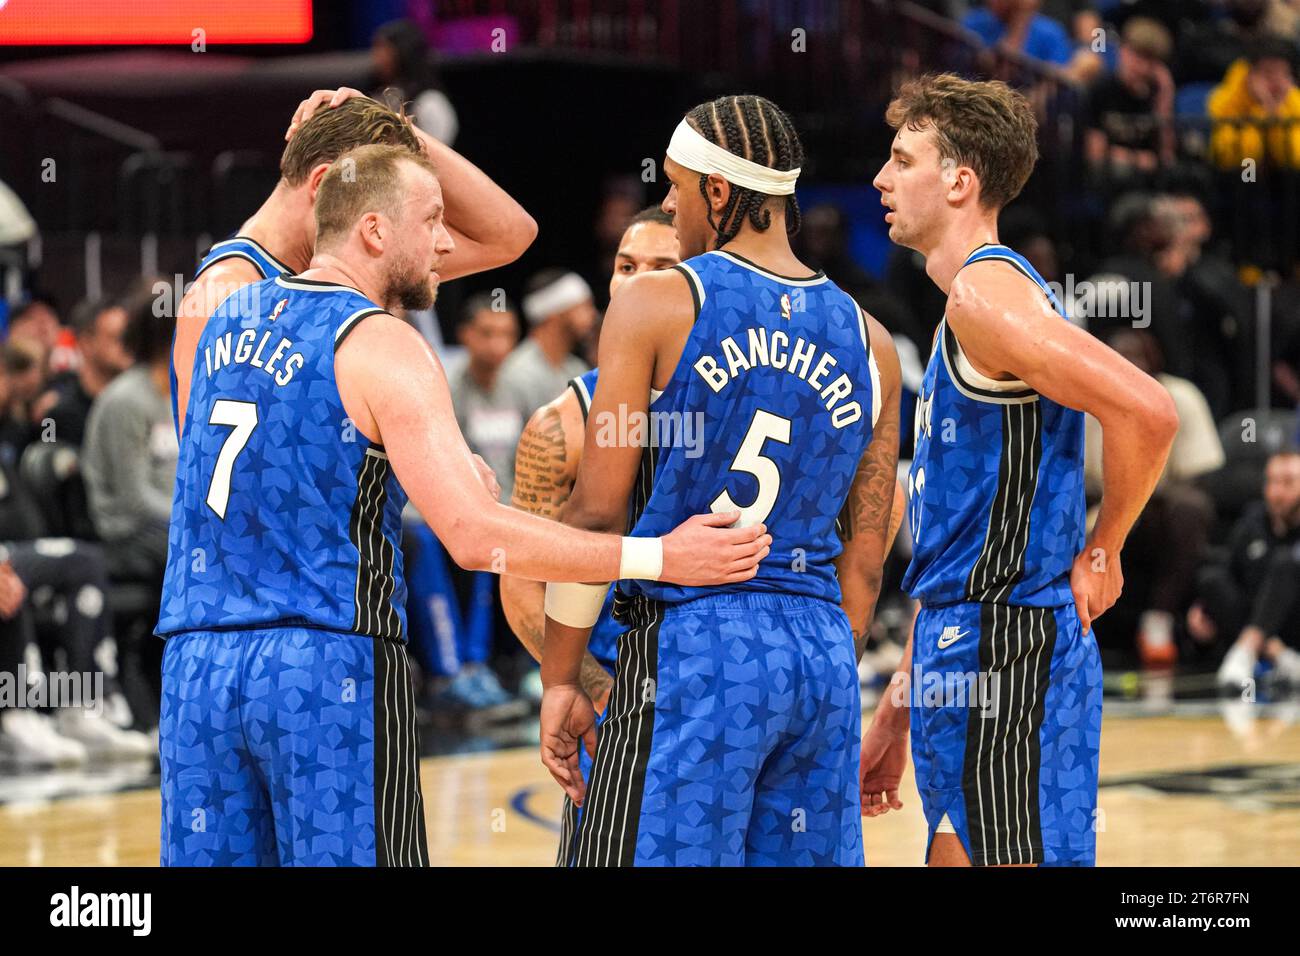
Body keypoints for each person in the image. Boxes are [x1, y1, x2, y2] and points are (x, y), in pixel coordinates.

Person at [155, 143, 770, 867]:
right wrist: (664, 555)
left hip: (195, 662)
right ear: (377, 231)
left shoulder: (217, 308)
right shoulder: (382, 341)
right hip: (320, 662)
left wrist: (414, 466)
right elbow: (476, 539)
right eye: (434, 220)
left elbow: (242, 456)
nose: (448, 241)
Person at [539, 94, 902, 867]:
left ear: (718, 190)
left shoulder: (655, 302)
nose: (668, 204)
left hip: (697, 645)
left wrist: (562, 677)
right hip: (822, 653)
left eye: (675, 184)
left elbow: (598, 514)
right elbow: (866, 558)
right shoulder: (874, 342)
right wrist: (825, 662)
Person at [862, 74, 1177, 867]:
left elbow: (1149, 411)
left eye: (903, 160)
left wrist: (1104, 550)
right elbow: (953, 543)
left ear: (960, 182)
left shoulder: (986, 299)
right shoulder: (966, 305)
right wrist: (903, 701)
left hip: (1009, 647)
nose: (881, 180)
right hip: (962, 640)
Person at [172, 88, 537, 439]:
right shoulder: (230, 291)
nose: (380, 228)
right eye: (377, 202)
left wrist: (395, 126)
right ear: (324, 184)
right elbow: (211, 477)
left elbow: (509, 235)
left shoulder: (357, 259)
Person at [500, 206, 680, 718]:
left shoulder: (744, 392)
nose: (635, 285)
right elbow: (520, 582)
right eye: (625, 267)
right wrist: (594, 687)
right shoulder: (561, 422)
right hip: (615, 679)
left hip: (725, 677)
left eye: (661, 268)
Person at [81, 282, 179, 585]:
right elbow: (134, 498)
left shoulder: (179, 394)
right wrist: (191, 518)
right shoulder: (126, 400)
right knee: (202, 551)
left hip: (166, 523)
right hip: (126, 531)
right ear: (170, 336)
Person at [1212, 450, 1300, 686]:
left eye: (1288, 482)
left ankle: (1246, 651)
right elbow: (1227, 571)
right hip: (1256, 616)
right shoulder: (1253, 521)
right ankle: (1276, 654)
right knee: (1211, 580)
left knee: (1287, 563)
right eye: (1272, 481)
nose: (1277, 492)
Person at [497, 270, 597, 417]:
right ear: (556, 312)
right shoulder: (517, 374)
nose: (593, 314)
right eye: (584, 306)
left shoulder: (576, 368)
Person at [371, 19, 459, 146]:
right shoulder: (379, 96)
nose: (377, 57)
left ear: (403, 52)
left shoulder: (430, 102)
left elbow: (441, 151)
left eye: (384, 49)